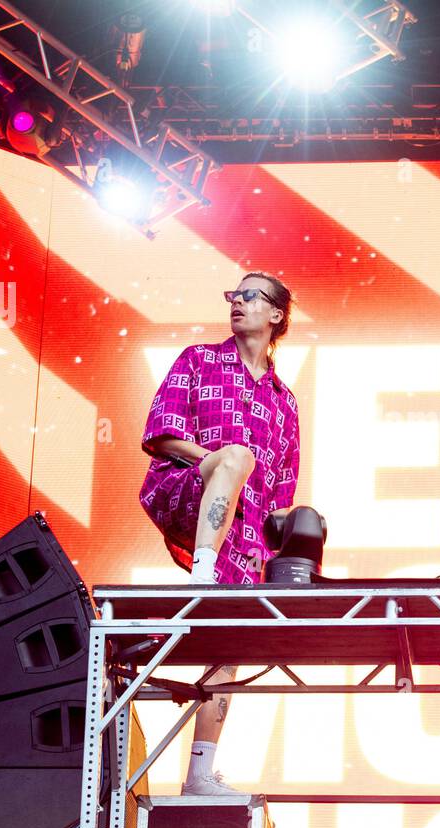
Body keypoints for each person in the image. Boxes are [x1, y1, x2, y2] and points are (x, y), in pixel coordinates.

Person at [138, 271, 300, 795]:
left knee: (228, 648)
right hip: (183, 487)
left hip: (246, 533)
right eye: (234, 295)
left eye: (250, 296)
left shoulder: (284, 402)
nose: (237, 303)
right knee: (236, 458)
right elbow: (161, 433)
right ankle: (201, 575)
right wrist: (220, 465)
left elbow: (281, 496)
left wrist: (272, 556)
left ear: (276, 314)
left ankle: (199, 775)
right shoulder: (198, 360)